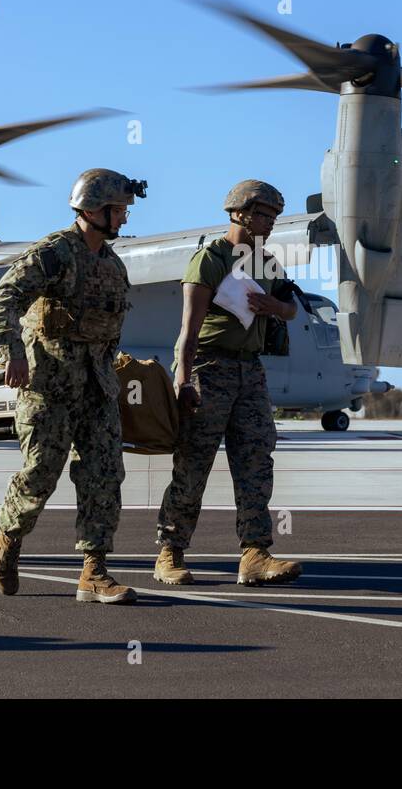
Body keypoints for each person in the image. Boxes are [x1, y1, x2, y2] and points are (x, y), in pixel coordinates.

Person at [0, 168, 146, 604]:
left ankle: (94, 571)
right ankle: (8, 538)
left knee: (104, 476)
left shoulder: (113, 265)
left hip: (97, 390)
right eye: (119, 211)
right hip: (49, 388)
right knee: (40, 475)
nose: (125, 219)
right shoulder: (53, 255)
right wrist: (13, 354)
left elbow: (112, 329)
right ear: (93, 211)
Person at [153, 180, 303, 586]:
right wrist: (182, 378)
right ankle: (170, 552)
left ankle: (255, 553)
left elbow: (291, 307)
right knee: (193, 463)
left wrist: (276, 307)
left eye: (273, 217)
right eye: (262, 215)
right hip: (209, 367)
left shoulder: (268, 262)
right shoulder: (210, 259)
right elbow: (189, 327)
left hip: (250, 371)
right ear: (238, 213)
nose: (269, 224)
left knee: (256, 460)